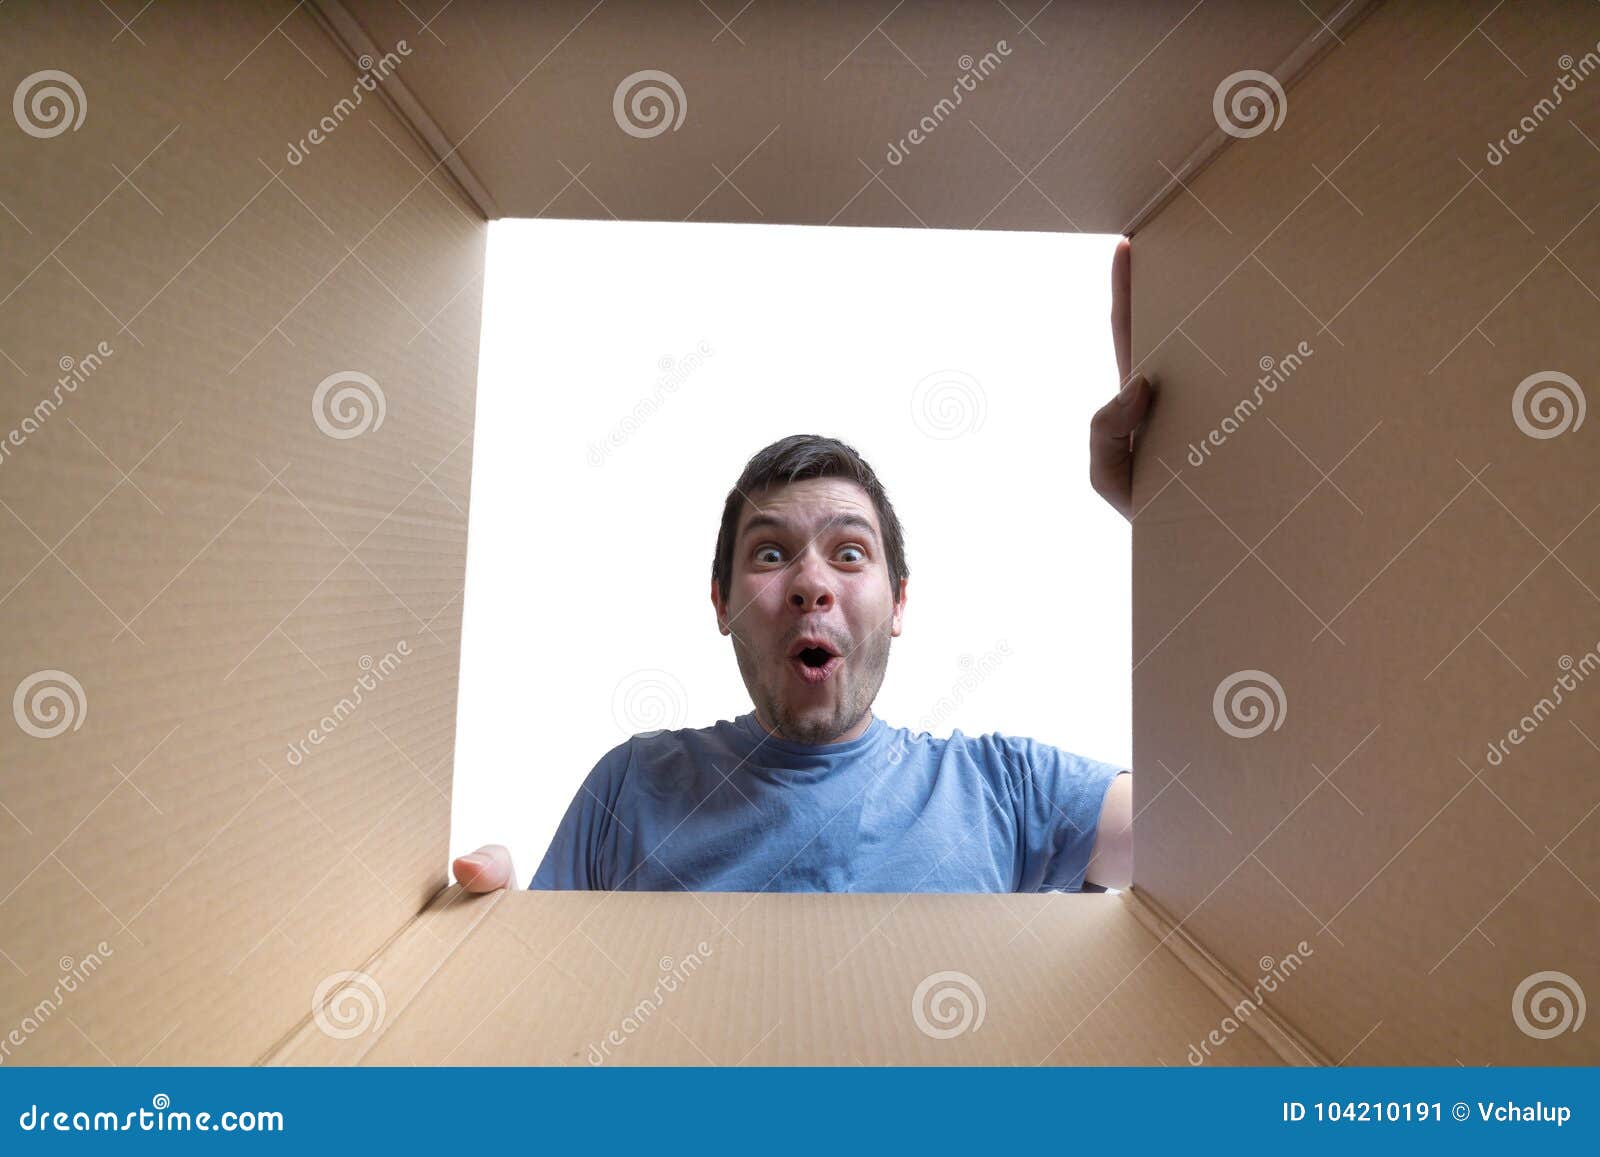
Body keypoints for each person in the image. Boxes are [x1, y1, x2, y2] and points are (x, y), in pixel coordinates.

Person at [452, 238, 1155, 895]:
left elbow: (1236, 846)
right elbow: (527, 998)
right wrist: (495, 943)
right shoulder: (631, 789)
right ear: (721, 602)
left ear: (900, 601)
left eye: (849, 553)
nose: (812, 584)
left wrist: (1183, 515)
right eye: (770, 553)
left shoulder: (1011, 790)